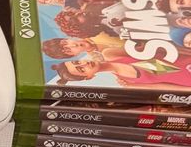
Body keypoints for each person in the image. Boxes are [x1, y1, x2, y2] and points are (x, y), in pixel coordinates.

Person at [51, 55, 191, 90]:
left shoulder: (111, 53)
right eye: (81, 69)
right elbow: (164, 86)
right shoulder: (127, 82)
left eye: (78, 62)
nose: (84, 64)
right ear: (89, 77)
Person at [42, 34, 125, 60]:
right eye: (68, 50)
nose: (73, 45)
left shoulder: (95, 32)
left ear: (67, 38)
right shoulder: (98, 60)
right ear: (74, 55)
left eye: (65, 42)